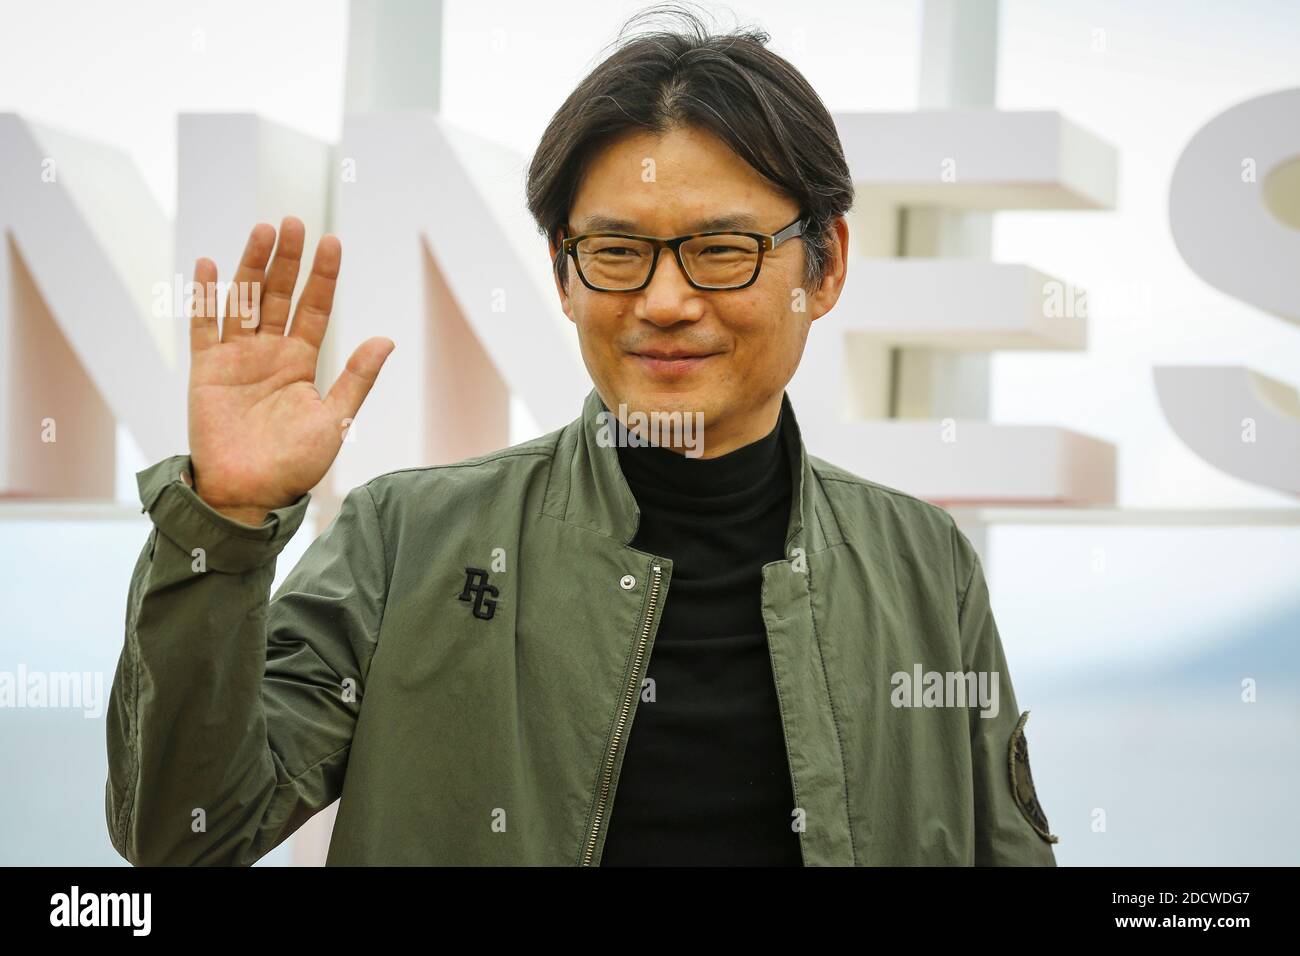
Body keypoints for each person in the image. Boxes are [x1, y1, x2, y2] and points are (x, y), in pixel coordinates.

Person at [105, 7, 1058, 866]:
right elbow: (184, 831)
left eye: (721, 250)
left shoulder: (926, 567)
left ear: (827, 262)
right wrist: (222, 522)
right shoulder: (408, 541)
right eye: (616, 252)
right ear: (563, 276)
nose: (667, 301)